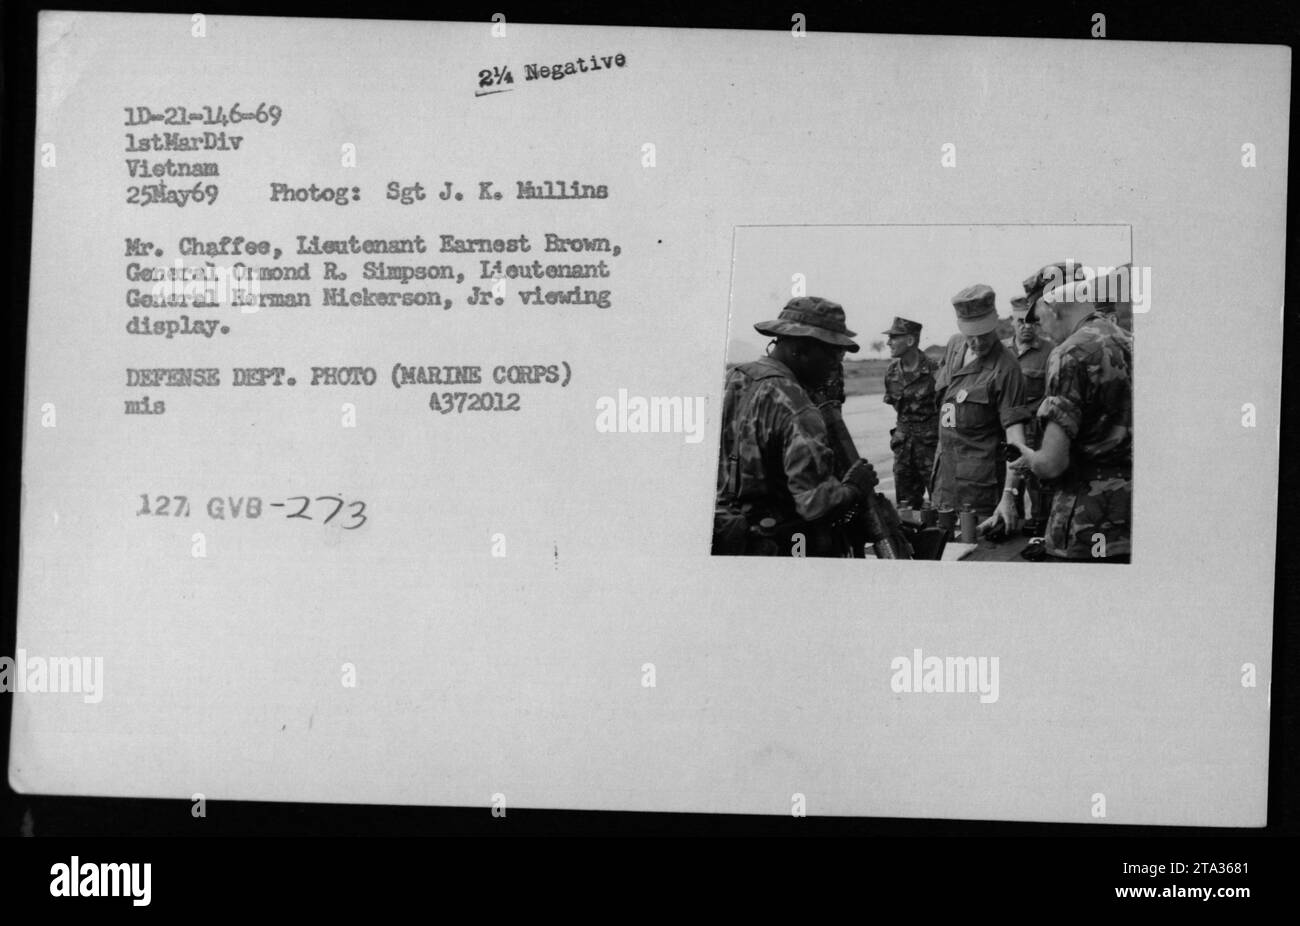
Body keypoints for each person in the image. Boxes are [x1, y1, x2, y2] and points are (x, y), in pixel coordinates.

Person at [713, 297, 878, 556]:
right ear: (798, 349)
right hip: (779, 547)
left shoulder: (736, 378)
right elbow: (815, 504)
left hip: (725, 538)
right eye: (832, 353)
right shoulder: (798, 407)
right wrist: (855, 487)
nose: (837, 363)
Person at [1008, 276, 1133, 561]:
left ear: (1052, 308)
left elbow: (1052, 464)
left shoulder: (1068, 354)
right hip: (1133, 519)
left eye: (1038, 318)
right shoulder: (1130, 341)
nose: (1039, 327)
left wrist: (1029, 458)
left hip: (1086, 523)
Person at [930, 284, 1029, 534]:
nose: (976, 342)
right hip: (943, 482)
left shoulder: (1007, 367)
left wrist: (1008, 496)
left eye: (983, 334)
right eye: (970, 334)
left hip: (981, 493)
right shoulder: (954, 347)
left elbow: (1015, 440)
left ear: (995, 322)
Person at [1002, 295, 1056, 532]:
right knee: (1006, 493)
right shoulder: (1000, 352)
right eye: (1020, 321)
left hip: (1036, 436)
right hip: (1004, 436)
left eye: (1032, 322)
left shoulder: (1051, 351)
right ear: (1011, 322)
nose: (1026, 326)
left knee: (1040, 497)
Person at [882, 316, 939, 510]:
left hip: (931, 448)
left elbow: (948, 410)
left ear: (910, 340)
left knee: (942, 504)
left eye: (894, 337)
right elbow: (896, 407)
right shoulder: (891, 373)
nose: (889, 342)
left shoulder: (935, 370)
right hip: (903, 449)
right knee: (905, 508)